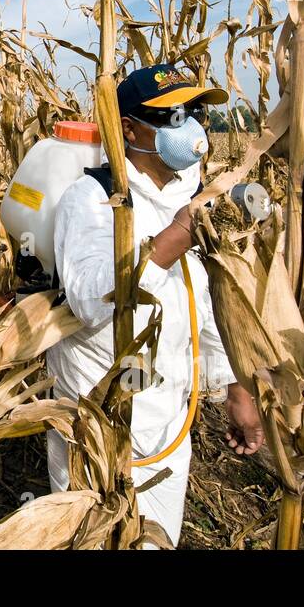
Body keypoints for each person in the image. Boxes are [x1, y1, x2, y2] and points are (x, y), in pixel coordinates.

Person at [46, 64, 265, 546]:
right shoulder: (91, 199)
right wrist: (178, 235)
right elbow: (91, 299)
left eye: (195, 113)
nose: (190, 128)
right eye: (173, 116)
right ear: (128, 128)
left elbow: (204, 303)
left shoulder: (188, 194)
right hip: (100, 427)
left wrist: (235, 389)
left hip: (168, 425)